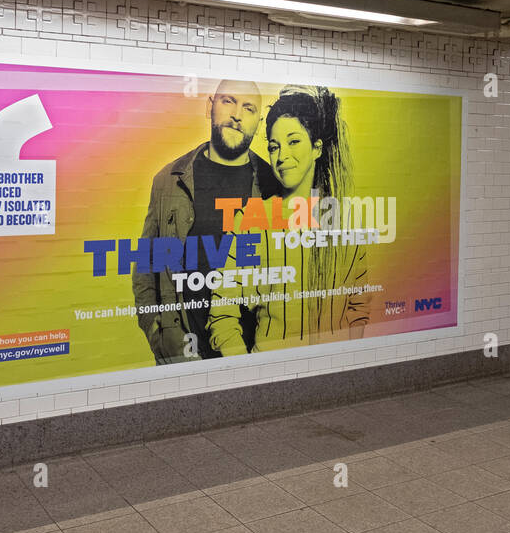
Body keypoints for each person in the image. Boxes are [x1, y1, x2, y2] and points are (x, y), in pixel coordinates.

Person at [207, 86, 372, 354]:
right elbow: (222, 315)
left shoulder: (344, 222)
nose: (282, 156)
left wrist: (346, 363)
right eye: (274, 147)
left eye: (294, 142)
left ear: (317, 148)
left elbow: (359, 306)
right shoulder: (249, 220)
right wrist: (250, 373)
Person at [133, 79, 279, 363]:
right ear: (209, 106)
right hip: (182, 351)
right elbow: (145, 264)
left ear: (258, 123)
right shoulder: (168, 180)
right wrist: (157, 333)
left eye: (249, 108)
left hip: (248, 350)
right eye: (229, 101)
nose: (237, 115)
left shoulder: (273, 186)